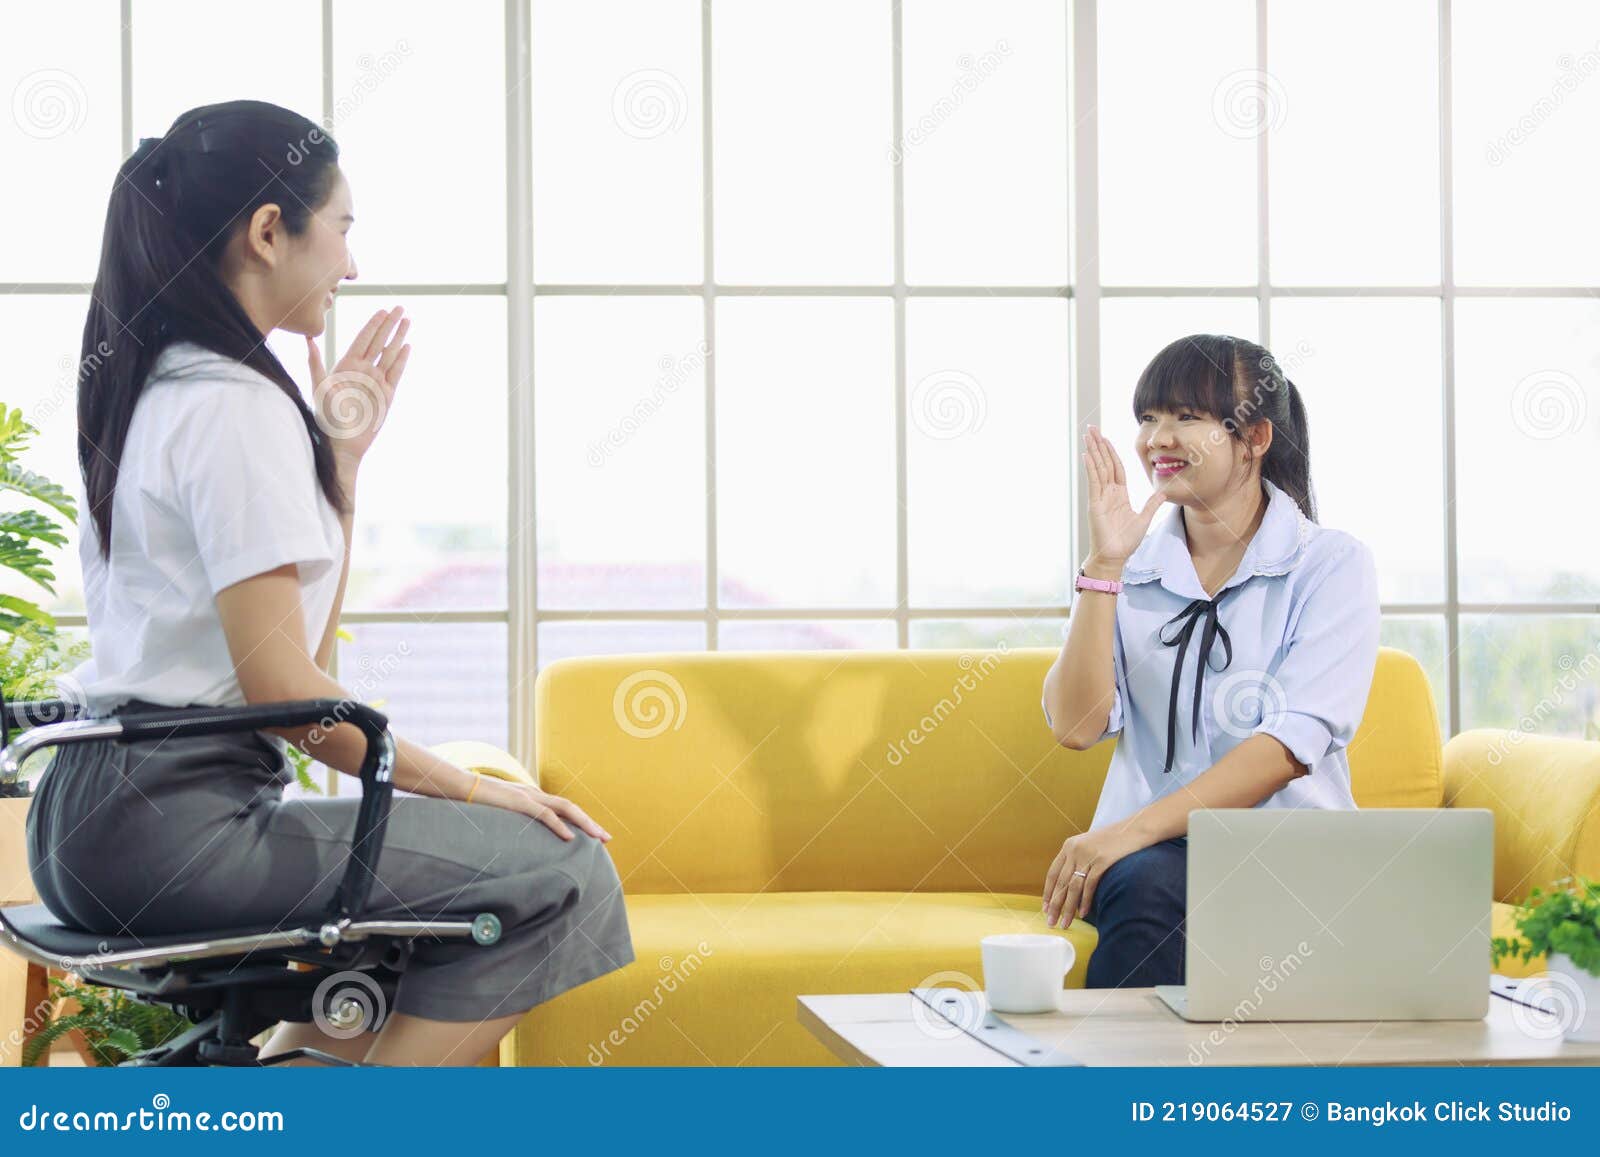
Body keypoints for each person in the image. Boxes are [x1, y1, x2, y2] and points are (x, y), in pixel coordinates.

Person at [23, 100, 635, 1066]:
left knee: (424, 916)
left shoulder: (161, 387)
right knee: (569, 870)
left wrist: (339, 472)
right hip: (177, 828)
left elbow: (296, 663)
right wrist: (475, 792)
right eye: (343, 228)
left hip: (91, 821)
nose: (351, 265)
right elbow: (290, 703)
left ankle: (286, 1099)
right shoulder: (236, 406)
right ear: (271, 231)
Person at [1038, 333, 1380, 988]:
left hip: (1291, 852)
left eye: (1186, 418)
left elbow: (1285, 746)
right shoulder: (1128, 566)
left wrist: (1124, 833)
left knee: (1149, 882)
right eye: (1148, 418)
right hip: (1152, 860)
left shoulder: (1329, 564)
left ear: (1254, 437)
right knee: (1146, 889)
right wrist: (1103, 568)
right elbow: (1076, 726)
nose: (1156, 439)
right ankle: (1127, 1091)